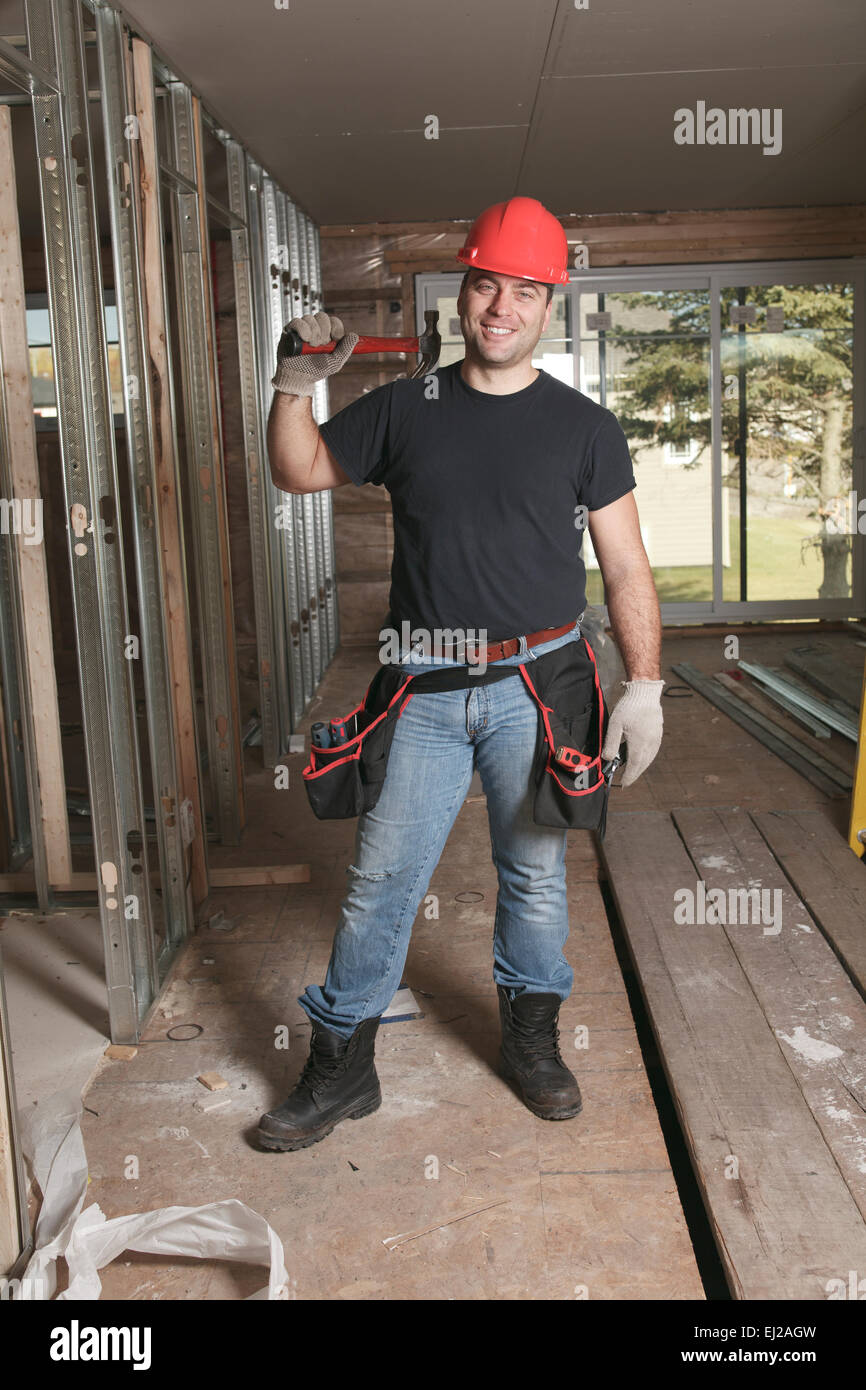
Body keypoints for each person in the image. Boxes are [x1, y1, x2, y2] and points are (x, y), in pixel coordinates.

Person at [258, 196, 663, 1152]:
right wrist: (289, 384)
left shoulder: (584, 428)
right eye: (488, 284)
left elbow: (628, 567)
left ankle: (530, 1042)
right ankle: (342, 1070)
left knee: (533, 879)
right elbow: (299, 470)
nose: (503, 306)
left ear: (548, 305)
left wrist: (644, 684)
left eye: (526, 291)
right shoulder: (408, 407)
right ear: (466, 291)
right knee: (380, 884)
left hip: (536, 687)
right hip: (428, 692)